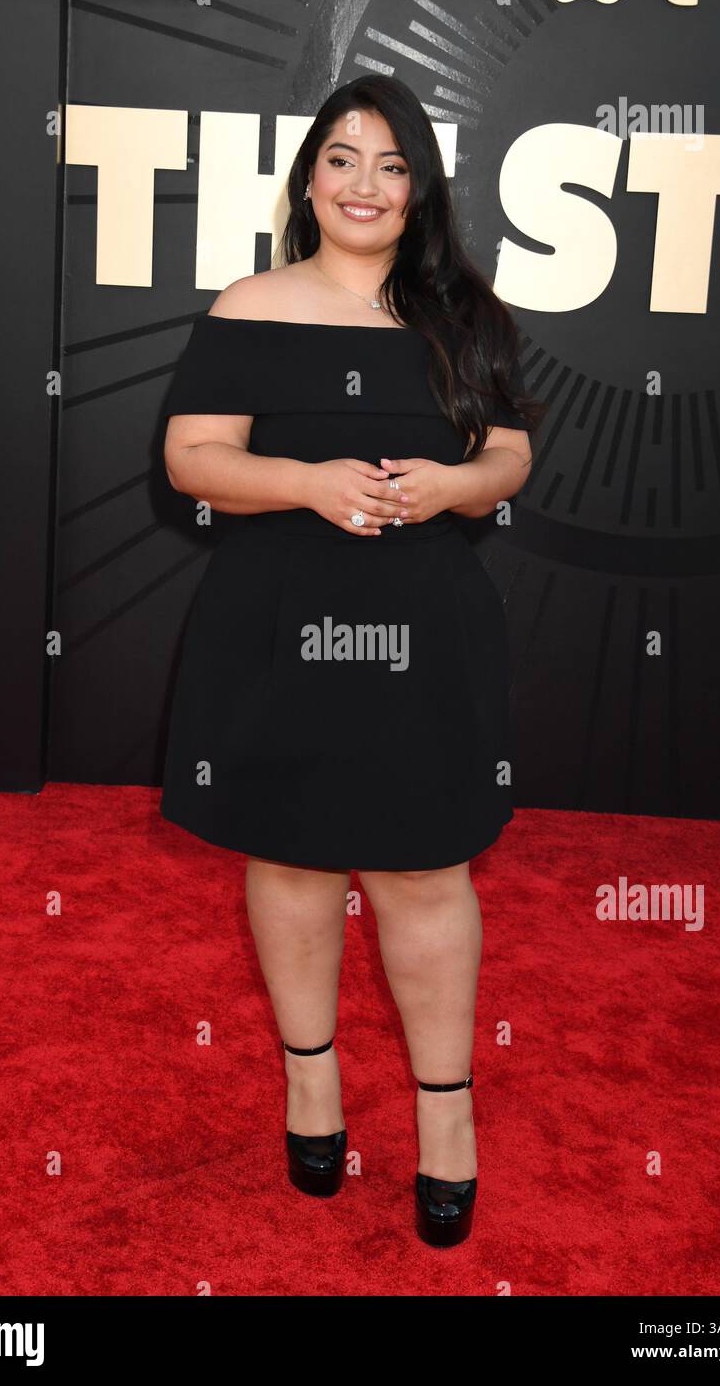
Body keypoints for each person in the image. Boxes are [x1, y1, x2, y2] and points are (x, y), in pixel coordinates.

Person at [162, 74, 540, 1248]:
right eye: (340, 158)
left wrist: (452, 486)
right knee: (292, 857)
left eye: (388, 162)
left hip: (428, 631)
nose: (362, 183)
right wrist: (306, 484)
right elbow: (190, 458)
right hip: (276, 625)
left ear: (417, 186)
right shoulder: (248, 305)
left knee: (427, 874)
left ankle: (444, 1119)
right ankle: (309, 1083)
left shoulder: (465, 316)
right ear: (307, 179)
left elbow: (511, 459)